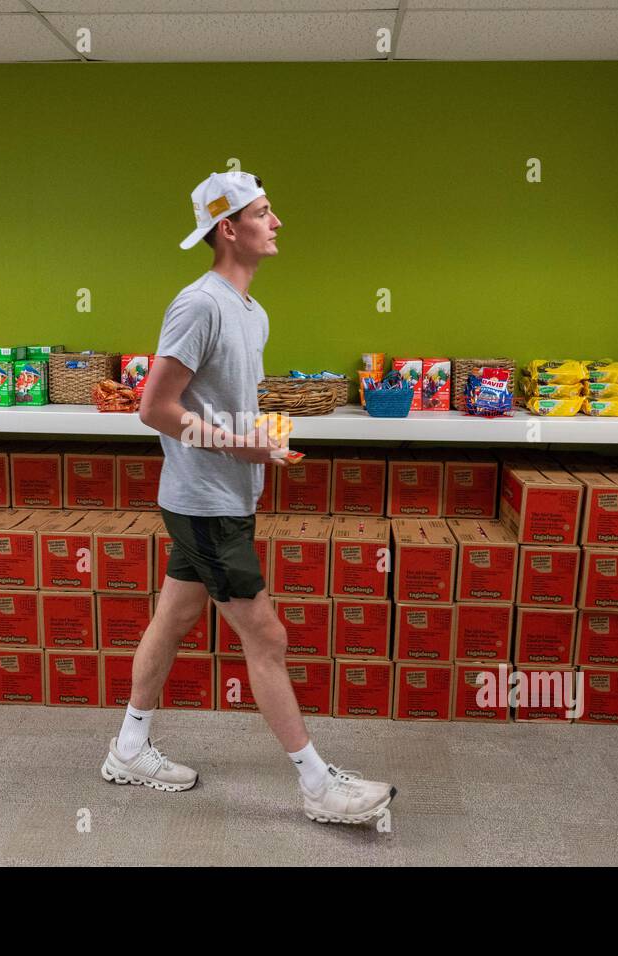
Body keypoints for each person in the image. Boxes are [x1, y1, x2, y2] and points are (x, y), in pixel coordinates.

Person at [99, 170, 397, 825]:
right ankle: (318, 785)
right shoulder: (199, 303)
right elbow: (156, 408)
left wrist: (264, 439)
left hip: (224, 497)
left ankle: (127, 748)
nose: (277, 221)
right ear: (229, 228)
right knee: (267, 639)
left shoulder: (252, 312)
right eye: (264, 212)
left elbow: (219, 407)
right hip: (204, 502)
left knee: (173, 619)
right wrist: (239, 445)